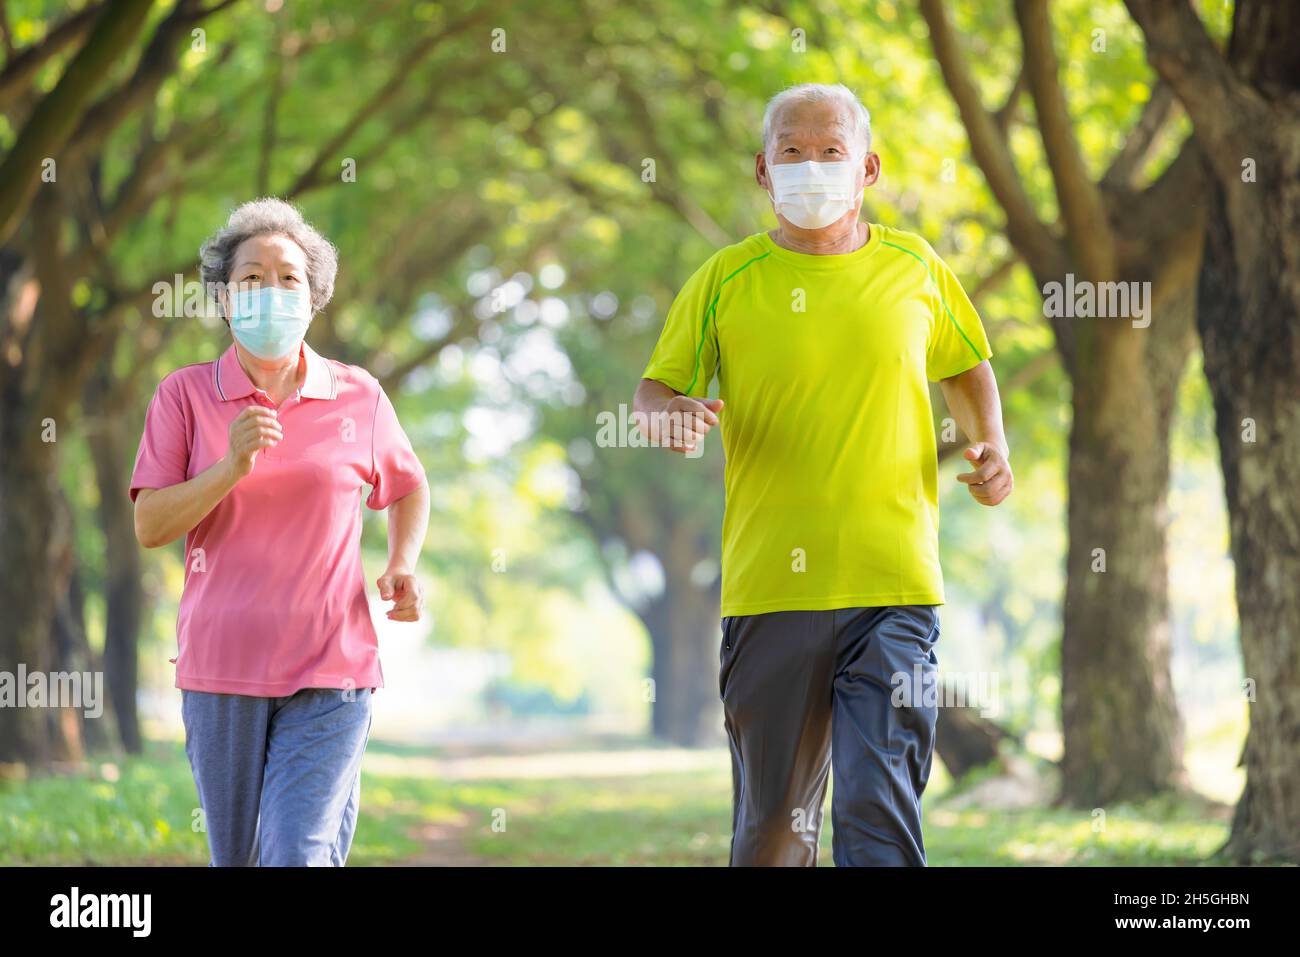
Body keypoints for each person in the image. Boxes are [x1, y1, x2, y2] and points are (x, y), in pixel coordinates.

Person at [633, 83, 1012, 866]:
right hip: (769, 588)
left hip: (894, 586)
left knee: (879, 805)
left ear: (867, 167)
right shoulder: (725, 278)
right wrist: (665, 417)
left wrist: (992, 446)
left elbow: (967, 365)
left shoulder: (915, 265)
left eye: (831, 151)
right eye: (792, 152)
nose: (811, 167)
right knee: (775, 830)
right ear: (763, 171)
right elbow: (655, 390)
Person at [129, 197, 431, 866]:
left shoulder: (358, 395)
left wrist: (401, 561)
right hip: (221, 668)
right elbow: (150, 523)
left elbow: (408, 485)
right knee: (238, 858)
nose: (271, 291)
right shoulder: (183, 395)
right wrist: (229, 467)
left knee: (296, 852)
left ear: (314, 296)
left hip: (332, 666)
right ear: (224, 298)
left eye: (289, 277)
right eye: (252, 277)